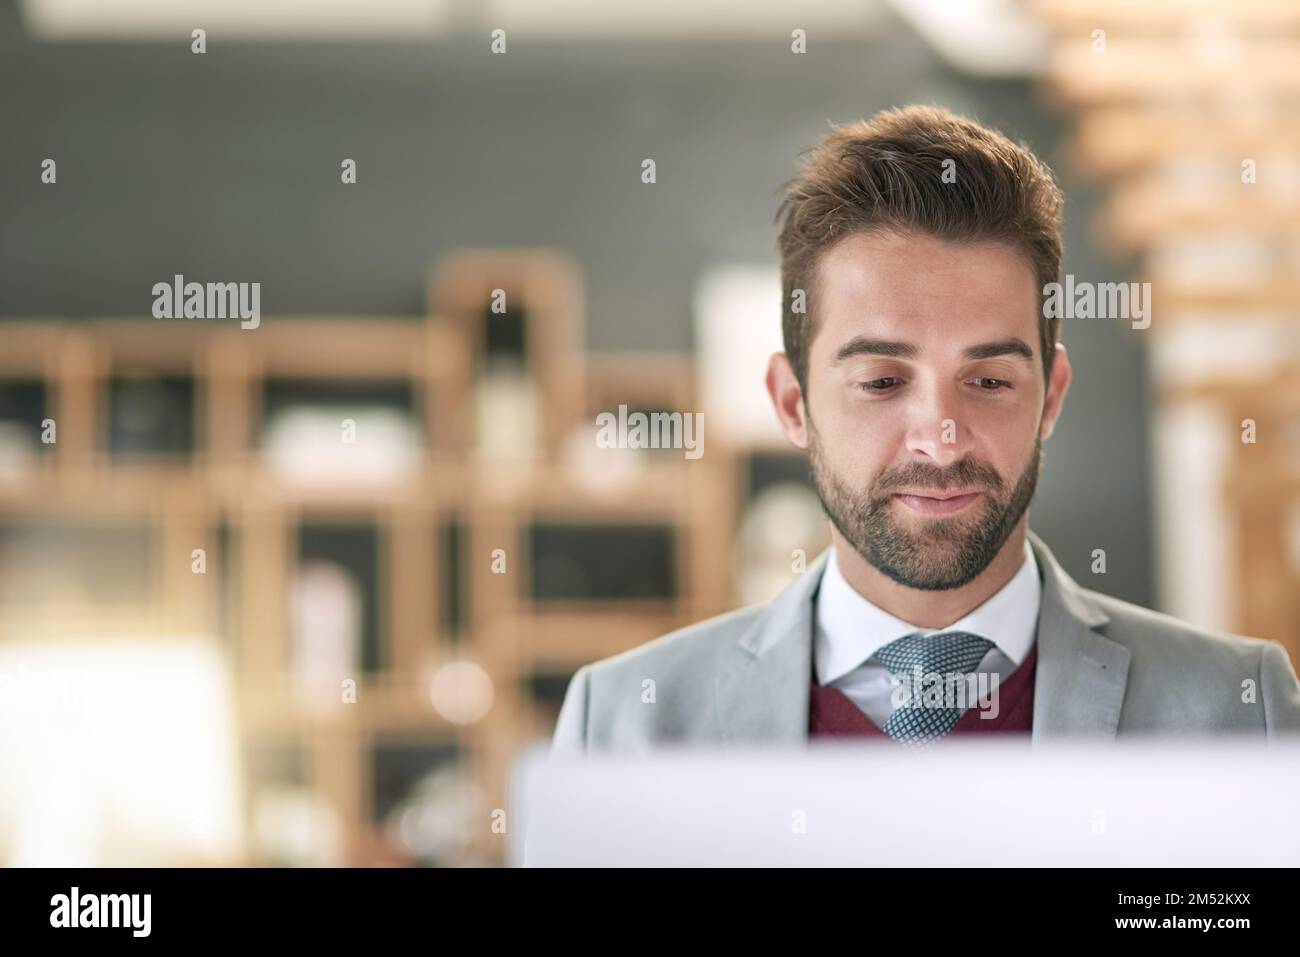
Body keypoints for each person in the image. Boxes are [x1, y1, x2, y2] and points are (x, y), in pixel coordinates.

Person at [552, 105, 1300, 753]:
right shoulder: (622, 729)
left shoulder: (1240, 712)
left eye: (989, 381)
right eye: (881, 382)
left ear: (1051, 396)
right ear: (792, 404)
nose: (939, 437)